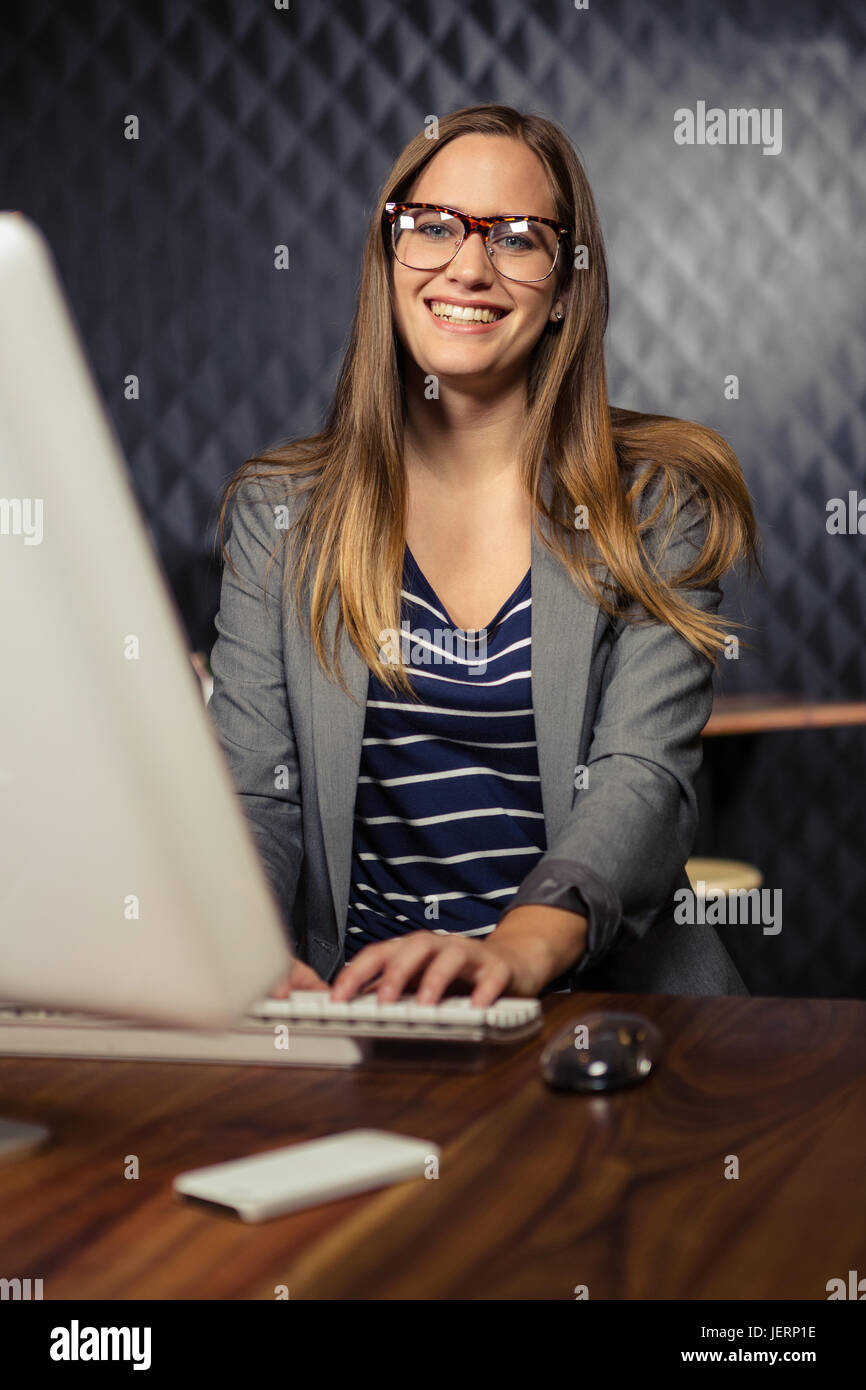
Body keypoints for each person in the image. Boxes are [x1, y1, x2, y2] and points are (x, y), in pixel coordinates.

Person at [209, 103, 758, 1007]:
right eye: (431, 228)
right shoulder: (278, 514)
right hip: (364, 1021)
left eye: (517, 237)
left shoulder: (655, 502)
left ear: (568, 287)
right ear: (389, 260)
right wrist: (250, 961)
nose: (469, 264)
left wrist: (514, 953)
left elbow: (641, 778)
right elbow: (258, 800)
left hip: (608, 1016)